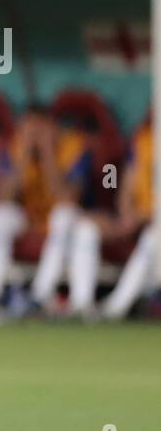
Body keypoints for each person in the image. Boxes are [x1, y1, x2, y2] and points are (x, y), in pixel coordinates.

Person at [0, 105, 91, 316]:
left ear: (52, 127)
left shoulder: (74, 146)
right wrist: (25, 156)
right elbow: (5, 197)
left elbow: (67, 198)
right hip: (29, 216)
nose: (34, 135)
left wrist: (48, 154)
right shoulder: (17, 147)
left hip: (64, 219)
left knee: (63, 216)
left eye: (39, 129)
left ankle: (39, 295)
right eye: (29, 129)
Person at [70, 119, 155, 318]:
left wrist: (139, 218)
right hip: (127, 218)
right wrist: (125, 216)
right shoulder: (140, 144)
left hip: (150, 223)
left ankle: (115, 308)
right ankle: (82, 305)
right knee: (85, 229)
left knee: (154, 236)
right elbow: (121, 190)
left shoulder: (111, 162)